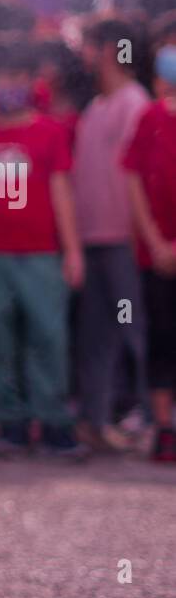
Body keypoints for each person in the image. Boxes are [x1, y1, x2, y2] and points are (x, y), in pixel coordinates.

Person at [0, 44, 86, 458]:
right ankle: (10, 422)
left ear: (30, 83)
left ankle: (55, 421)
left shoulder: (50, 132)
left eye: (11, 78)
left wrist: (72, 251)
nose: (2, 87)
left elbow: (62, 192)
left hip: (41, 254)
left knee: (47, 334)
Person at [71, 18, 151, 451]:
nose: (84, 53)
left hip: (122, 241)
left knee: (132, 328)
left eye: (89, 45)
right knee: (96, 334)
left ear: (107, 50)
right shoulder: (97, 107)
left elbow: (135, 178)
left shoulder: (132, 103)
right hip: (93, 240)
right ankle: (95, 421)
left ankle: (148, 420)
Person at [122, 44, 176, 462]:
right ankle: (163, 427)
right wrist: (156, 242)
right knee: (160, 337)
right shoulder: (150, 118)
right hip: (154, 253)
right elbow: (134, 179)